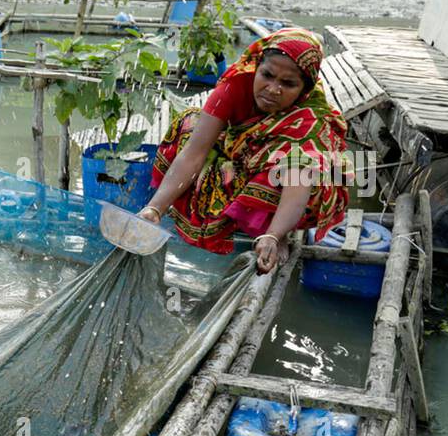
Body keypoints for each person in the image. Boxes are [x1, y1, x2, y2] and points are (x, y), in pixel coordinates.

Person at [138, 27, 351, 274]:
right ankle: (240, 216)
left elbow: (299, 183)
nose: (273, 89)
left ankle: (275, 226)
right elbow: (194, 153)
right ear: (256, 67)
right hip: (240, 156)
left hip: (289, 179)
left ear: (304, 89)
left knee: (300, 165)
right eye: (267, 75)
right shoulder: (234, 86)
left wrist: (273, 235)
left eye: (288, 83)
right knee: (190, 124)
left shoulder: (310, 121)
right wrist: (155, 209)